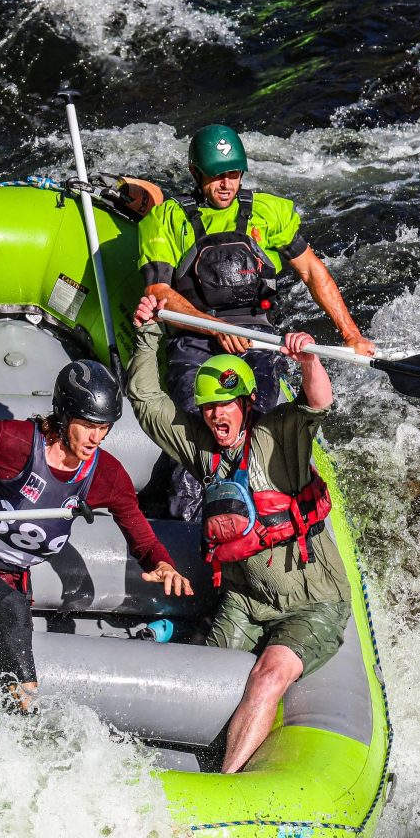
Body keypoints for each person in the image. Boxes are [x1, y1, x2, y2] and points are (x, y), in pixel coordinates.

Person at [125, 291, 350, 773]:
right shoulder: (202, 448)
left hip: (312, 602)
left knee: (268, 677)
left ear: (247, 403)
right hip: (246, 599)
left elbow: (319, 401)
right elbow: (146, 401)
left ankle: (228, 787)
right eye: (208, 407)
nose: (216, 415)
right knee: (206, 680)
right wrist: (147, 331)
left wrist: (307, 358)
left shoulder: (280, 434)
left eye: (226, 404)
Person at [0, 360, 193, 712]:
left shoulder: (106, 476)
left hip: (9, 583)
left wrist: (162, 564)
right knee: (12, 608)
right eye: (87, 426)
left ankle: (9, 717)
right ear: (64, 417)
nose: (96, 438)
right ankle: (28, 716)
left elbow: (139, 532)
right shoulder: (11, 441)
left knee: (9, 610)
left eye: (104, 427)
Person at [137, 123, 374, 416]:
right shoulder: (166, 219)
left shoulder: (268, 212)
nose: (226, 185)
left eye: (233, 174)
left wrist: (351, 335)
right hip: (194, 340)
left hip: (260, 338)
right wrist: (217, 329)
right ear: (195, 172)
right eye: (217, 175)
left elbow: (312, 272)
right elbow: (158, 292)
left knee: (257, 416)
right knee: (199, 418)